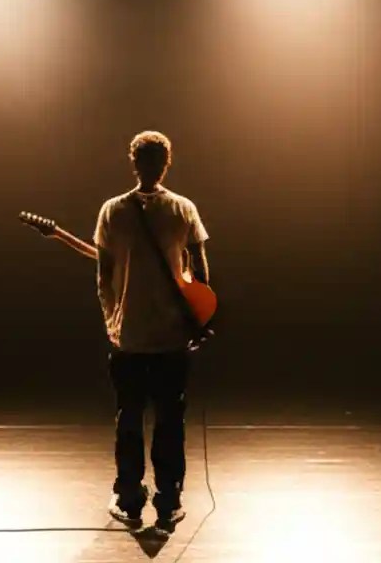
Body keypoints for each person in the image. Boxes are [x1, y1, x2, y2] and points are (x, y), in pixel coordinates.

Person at [94, 130, 210, 530]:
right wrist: (199, 320)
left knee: (128, 418)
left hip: (128, 338)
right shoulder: (183, 209)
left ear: (133, 162)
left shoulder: (112, 210)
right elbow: (200, 271)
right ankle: (169, 497)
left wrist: (113, 321)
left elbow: (103, 276)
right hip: (172, 338)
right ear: (167, 163)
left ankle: (129, 497)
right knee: (169, 419)